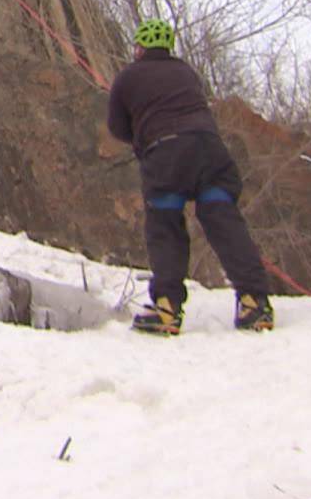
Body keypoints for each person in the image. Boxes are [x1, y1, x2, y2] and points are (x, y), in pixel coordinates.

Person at [106, 18, 274, 335]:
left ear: (139, 48)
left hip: (166, 156)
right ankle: (254, 301)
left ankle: (167, 308)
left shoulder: (128, 77)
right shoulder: (186, 72)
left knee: (165, 227)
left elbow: (117, 127)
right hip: (209, 151)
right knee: (223, 220)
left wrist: (141, 134)